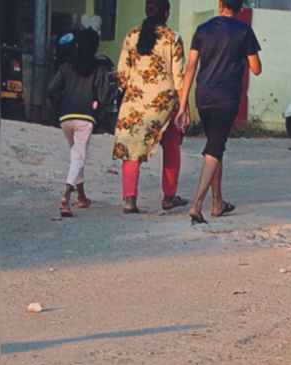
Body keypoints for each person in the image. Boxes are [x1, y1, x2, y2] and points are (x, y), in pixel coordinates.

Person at [175, 0, 261, 225]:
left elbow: (190, 67)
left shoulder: (202, 29)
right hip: (227, 98)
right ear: (241, 7)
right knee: (214, 148)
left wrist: (183, 106)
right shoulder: (244, 30)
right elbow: (256, 68)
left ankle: (217, 203)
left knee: (216, 144)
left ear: (219, 3)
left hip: (202, 96)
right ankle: (196, 205)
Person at [112, 0, 187, 215]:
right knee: (171, 146)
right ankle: (169, 196)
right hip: (165, 102)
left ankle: (129, 200)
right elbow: (179, 76)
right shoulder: (173, 37)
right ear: (166, 14)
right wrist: (184, 106)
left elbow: (122, 76)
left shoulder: (131, 35)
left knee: (131, 149)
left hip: (135, 103)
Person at [46, 27, 110, 218]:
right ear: (96, 48)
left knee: (76, 155)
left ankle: (81, 197)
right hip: (85, 118)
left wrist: (59, 107)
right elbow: (105, 97)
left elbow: (51, 90)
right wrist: (119, 92)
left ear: (76, 45)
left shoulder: (66, 67)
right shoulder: (99, 69)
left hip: (65, 118)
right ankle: (66, 195)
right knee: (78, 157)